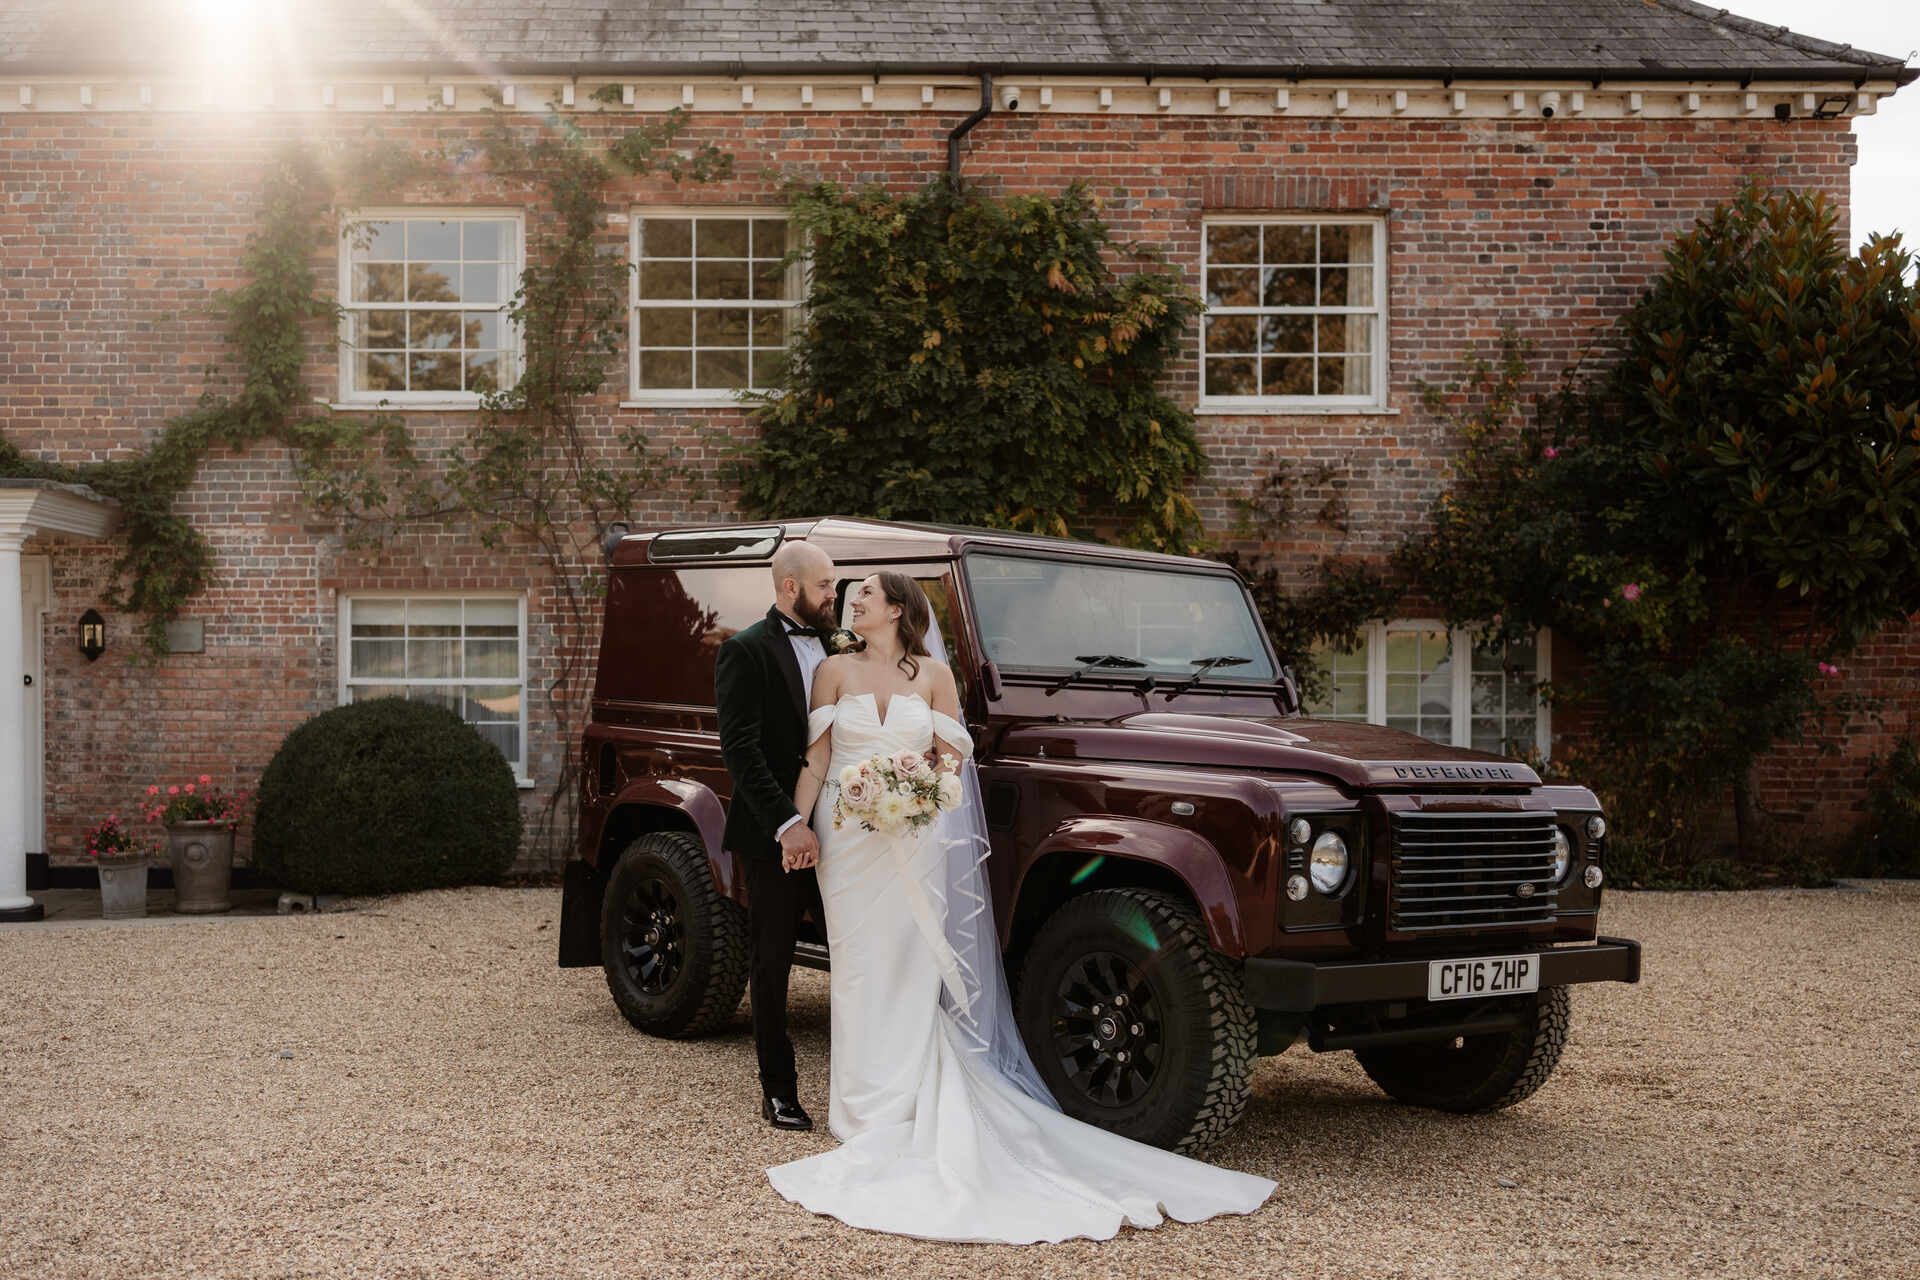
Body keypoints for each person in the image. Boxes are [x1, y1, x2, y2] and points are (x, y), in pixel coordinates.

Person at [766, 571, 1277, 1243]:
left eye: (861, 596)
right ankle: (863, 1112)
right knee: (859, 964)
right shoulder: (831, 671)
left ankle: (913, 1095)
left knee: (915, 960)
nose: (848, 603)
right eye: (847, 595)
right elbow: (817, 760)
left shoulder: (934, 679)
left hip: (913, 835)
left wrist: (918, 794)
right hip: (849, 836)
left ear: (895, 609)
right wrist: (796, 827)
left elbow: (951, 762)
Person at [713, 540, 839, 1131]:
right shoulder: (745, 651)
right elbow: (741, 751)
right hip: (775, 837)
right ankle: (779, 1091)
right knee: (774, 960)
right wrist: (788, 824)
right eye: (825, 587)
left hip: (846, 830)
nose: (833, 595)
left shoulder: (844, 644)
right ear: (791, 588)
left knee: (858, 953)